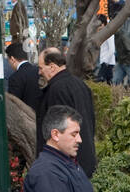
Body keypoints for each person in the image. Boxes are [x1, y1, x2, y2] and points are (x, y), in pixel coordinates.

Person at [35, 48, 97, 177]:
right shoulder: (80, 84)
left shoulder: (57, 89)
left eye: (41, 68)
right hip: (84, 158)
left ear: (52, 67)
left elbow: (59, 131)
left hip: (65, 165)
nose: (39, 72)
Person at [6, 41, 41, 110]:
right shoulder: (39, 71)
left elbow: (14, 104)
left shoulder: (15, 78)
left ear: (12, 59)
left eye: (8, 60)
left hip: (26, 117)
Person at [111, 6, 130, 88]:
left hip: (128, 62)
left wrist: (127, 62)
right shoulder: (117, 34)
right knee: (115, 81)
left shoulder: (123, 34)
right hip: (122, 61)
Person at [95, 13, 115, 84]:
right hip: (103, 61)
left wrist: (106, 61)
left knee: (101, 80)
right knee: (107, 81)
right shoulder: (102, 32)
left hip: (107, 62)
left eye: (99, 25)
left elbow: (112, 49)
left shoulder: (109, 33)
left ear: (103, 24)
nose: (97, 27)